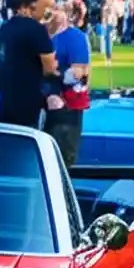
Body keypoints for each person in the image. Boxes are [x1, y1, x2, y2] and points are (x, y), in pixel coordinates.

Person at [0, 0, 58, 128]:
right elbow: (50, 67)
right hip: (28, 104)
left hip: (6, 103)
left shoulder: (4, 29)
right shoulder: (36, 30)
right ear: (32, 5)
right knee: (26, 146)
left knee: (6, 145)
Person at [44, 9, 91, 167]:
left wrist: (54, 72)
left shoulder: (74, 38)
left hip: (65, 104)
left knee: (61, 157)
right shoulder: (37, 35)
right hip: (38, 101)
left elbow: (79, 73)